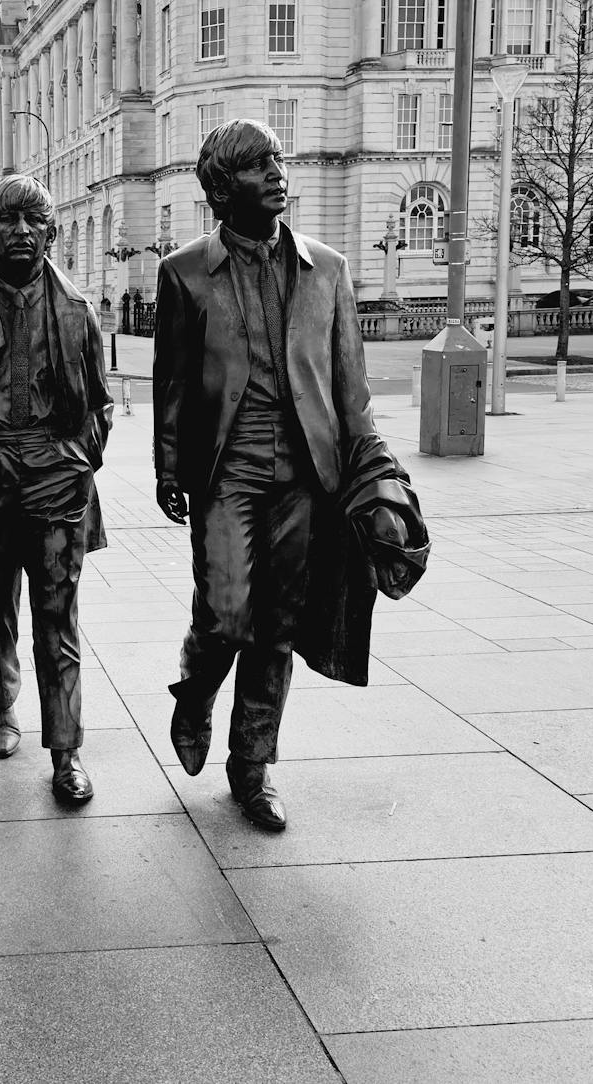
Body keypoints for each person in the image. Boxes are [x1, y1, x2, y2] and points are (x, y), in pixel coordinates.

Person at [152, 118, 380, 831]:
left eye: (278, 159)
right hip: (227, 470)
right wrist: (167, 468)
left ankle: (252, 768)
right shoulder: (185, 273)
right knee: (224, 614)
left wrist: (372, 472)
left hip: (307, 475)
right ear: (223, 188)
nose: (278, 171)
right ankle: (195, 692)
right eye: (258, 165)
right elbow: (173, 386)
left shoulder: (328, 270)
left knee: (276, 625)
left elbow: (351, 390)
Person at [0, 174, 111, 805]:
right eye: (8, 221)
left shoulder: (79, 312)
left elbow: (100, 409)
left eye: (34, 221)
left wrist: (75, 460)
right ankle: (1, 703)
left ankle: (66, 751)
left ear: (52, 231)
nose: (22, 232)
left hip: (56, 488)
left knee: (58, 621)